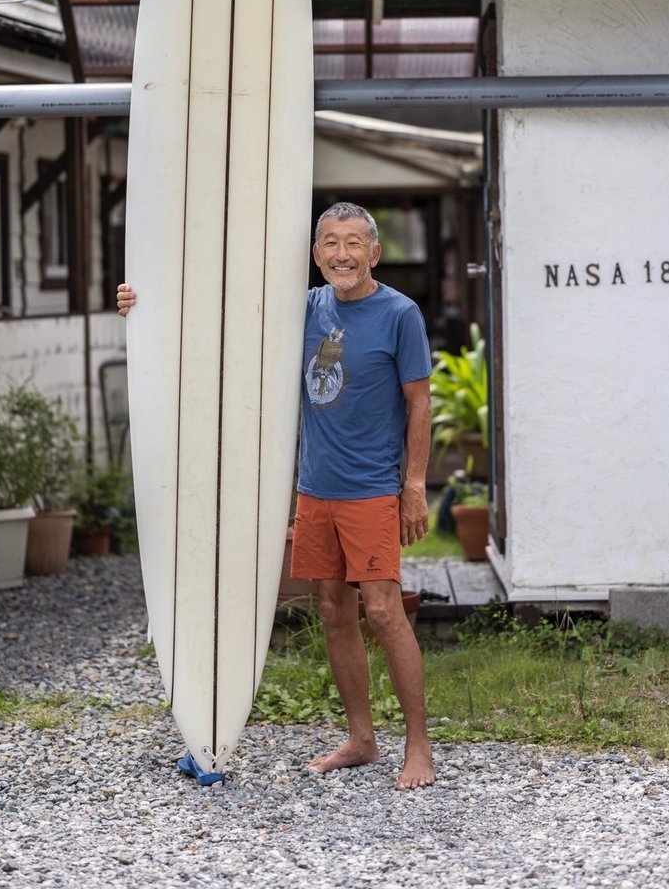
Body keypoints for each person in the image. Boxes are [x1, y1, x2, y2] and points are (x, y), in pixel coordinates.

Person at [117, 201, 436, 791]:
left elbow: (420, 403)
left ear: (375, 253)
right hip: (315, 490)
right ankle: (362, 739)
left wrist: (413, 485)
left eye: (354, 243)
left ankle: (419, 748)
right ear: (316, 256)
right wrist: (145, 304)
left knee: (385, 612)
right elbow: (219, 315)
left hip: (370, 490)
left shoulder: (399, 313)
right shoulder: (302, 308)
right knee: (334, 612)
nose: (342, 255)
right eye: (330, 244)